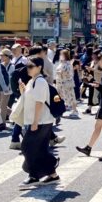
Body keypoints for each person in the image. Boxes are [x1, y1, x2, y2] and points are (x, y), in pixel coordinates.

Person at [19, 58, 60, 188]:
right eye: (28, 66)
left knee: (27, 147)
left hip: (40, 121)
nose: (28, 68)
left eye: (31, 66)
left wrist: (35, 122)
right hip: (37, 120)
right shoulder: (32, 81)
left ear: (39, 67)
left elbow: (39, 102)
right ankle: (52, 174)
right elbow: (29, 99)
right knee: (39, 149)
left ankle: (33, 175)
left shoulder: (40, 81)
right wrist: (23, 90)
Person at [56, 49, 79, 118]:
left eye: (61, 54)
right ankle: (61, 110)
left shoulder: (68, 63)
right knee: (62, 97)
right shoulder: (62, 63)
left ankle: (75, 111)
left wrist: (61, 73)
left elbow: (68, 73)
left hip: (66, 82)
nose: (60, 56)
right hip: (60, 83)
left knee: (71, 96)